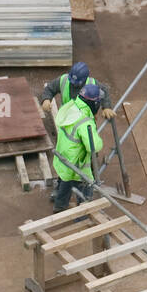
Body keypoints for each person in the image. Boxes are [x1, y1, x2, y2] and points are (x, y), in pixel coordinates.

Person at [50, 82, 104, 212]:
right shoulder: (85, 122)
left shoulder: (71, 106)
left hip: (64, 156)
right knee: (86, 185)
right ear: (94, 103)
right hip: (77, 162)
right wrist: (99, 140)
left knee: (66, 181)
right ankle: (83, 216)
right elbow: (93, 147)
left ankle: (59, 206)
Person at [40, 62, 116, 120]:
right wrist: (46, 99)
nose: (74, 84)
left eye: (76, 83)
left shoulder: (92, 83)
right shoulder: (64, 80)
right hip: (65, 118)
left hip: (85, 121)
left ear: (85, 79)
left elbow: (104, 91)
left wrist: (107, 107)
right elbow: (50, 89)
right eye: (72, 81)